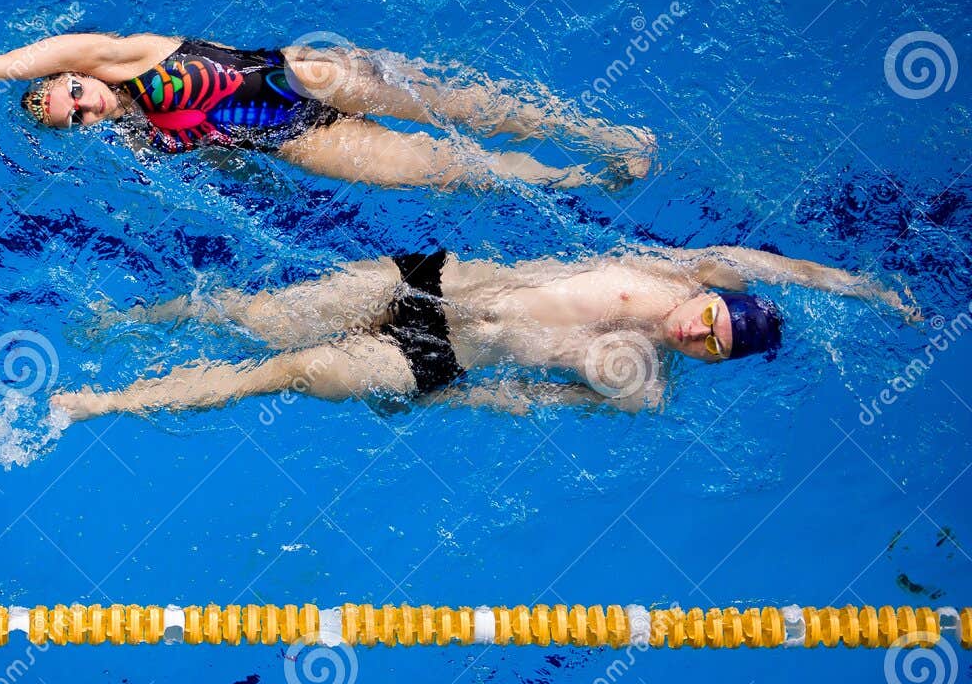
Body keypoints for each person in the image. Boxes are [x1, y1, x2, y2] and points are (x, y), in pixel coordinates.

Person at [49, 244, 916, 422]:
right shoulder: (681, 272)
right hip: (434, 281)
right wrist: (873, 291)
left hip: (433, 356)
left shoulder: (637, 381)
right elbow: (773, 263)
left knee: (277, 373)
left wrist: (451, 402)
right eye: (714, 320)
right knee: (250, 312)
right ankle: (122, 322)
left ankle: (100, 403)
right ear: (717, 298)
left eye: (712, 347)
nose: (698, 332)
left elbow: (528, 402)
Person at [0, 32, 654, 191]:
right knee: (445, 172)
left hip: (305, 80)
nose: (81, 104)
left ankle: (605, 134)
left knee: (460, 110)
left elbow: (0, 65)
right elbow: (225, 157)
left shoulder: (111, 53)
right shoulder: (139, 143)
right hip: (295, 141)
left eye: (68, 93)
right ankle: (583, 177)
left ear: (71, 74)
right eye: (74, 118)